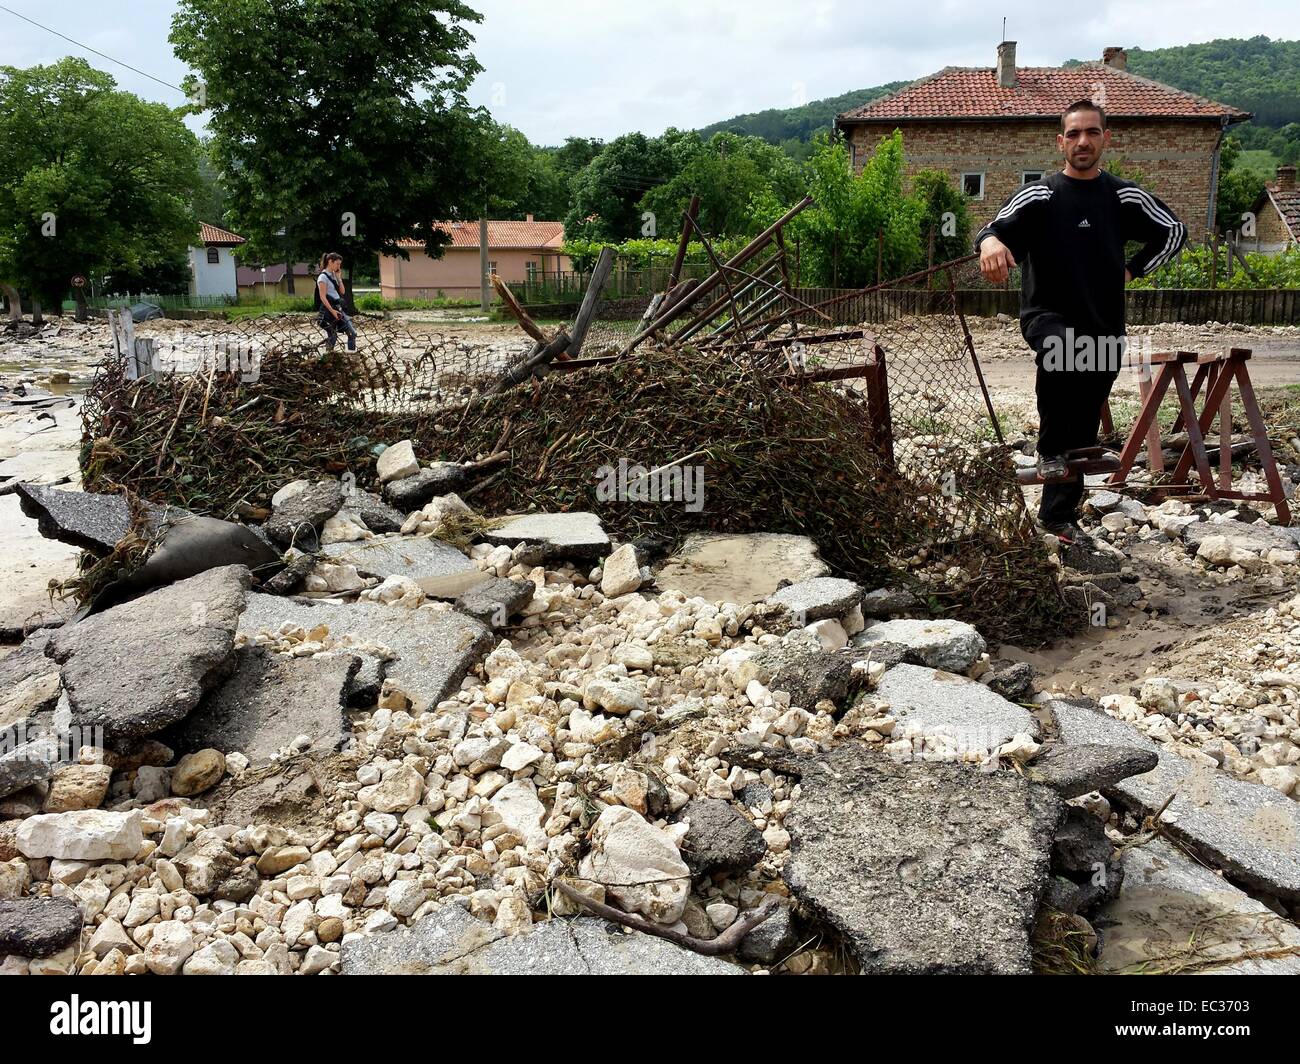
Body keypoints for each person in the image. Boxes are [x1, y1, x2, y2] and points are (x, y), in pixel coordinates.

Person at [975, 100, 1186, 544]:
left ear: (1106, 139)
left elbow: (1174, 232)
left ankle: (1057, 515)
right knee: (1063, 356)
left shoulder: (1122, 196)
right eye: (1073, 134)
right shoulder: (1041, 196)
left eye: (1092, 133)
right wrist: (991, 244)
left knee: (1084, 424)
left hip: (1105, 326)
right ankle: (1048, 449)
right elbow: (992, 228)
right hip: (1046, 315)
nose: (1083, 141)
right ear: (1061, 142)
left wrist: (1132, 270)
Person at [316, 252, 357, 352]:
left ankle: (352, 355)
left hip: (338, 308)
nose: (339, 266)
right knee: (333, 336)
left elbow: (342, 291)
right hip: (327, 312)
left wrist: (339, 278)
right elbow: (323, 297)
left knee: (352, 333)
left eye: (340, 264)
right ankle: (327, 357)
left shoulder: (334, 276)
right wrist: (332, 311)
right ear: (330, 262)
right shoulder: (322, 277)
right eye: (337, 264)